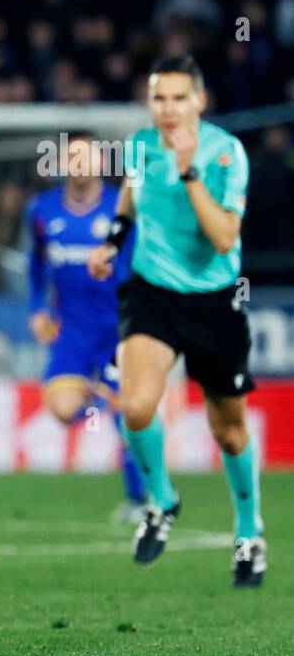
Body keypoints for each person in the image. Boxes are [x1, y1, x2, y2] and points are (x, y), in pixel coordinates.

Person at [88, 55, 264, 586]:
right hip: (152, 294)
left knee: (229, 433)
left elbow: (224, 239)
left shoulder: (226, 154)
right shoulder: (140, 146)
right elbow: (130, 199)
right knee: (137, 406)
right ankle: (162, 500)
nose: (167, 109)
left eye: (178, 98)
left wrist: (188, 170)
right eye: (159, 98)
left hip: (214, 301)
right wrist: (112, 243)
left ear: (200, 102)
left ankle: (249, 531)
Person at [27, 131, 146, 522]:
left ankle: (137, 500)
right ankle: (103, 400)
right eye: (72, 156)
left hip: (118, 329)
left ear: (100, 162)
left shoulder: (120, 208)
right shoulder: (43, 211)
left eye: (87, 156)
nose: (80, 164)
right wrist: (37, 309)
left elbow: (138, 263)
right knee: (62, 409)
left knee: (131, 420)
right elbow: (36, 266)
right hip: (72, 331)